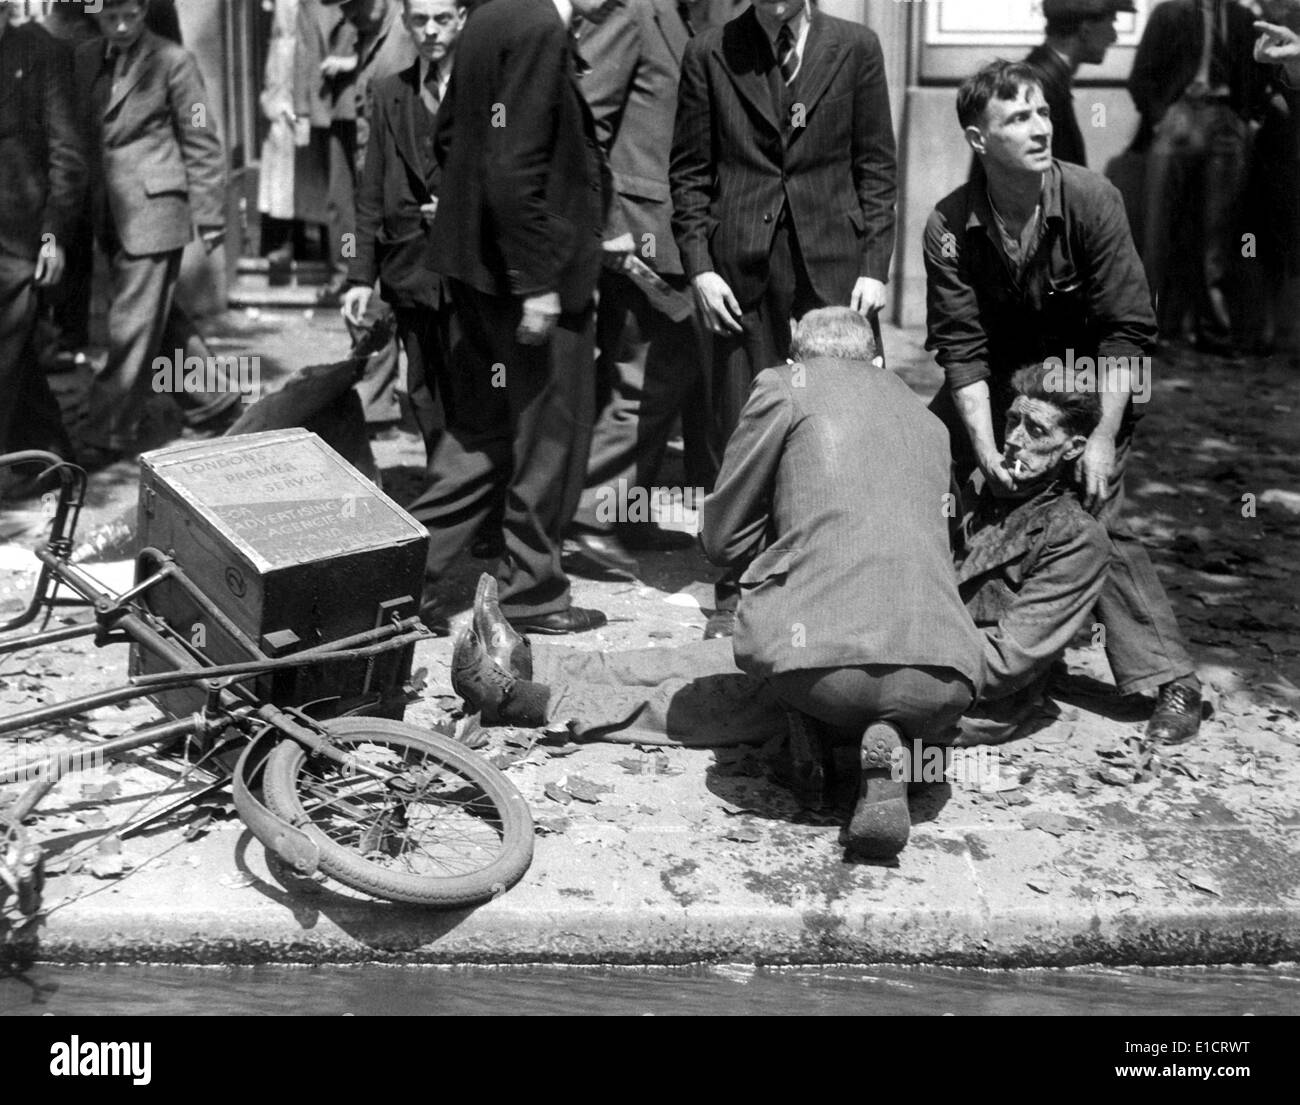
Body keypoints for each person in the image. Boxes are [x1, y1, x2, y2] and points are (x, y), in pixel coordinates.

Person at [450, 346, 1115, 865]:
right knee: (701, 653)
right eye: (1013, 421)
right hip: (890, 648)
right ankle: (537, 654)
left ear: (1077, 447)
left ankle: (524, 699)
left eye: (1038, 428)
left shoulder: (1077, 542)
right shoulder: (973, 489)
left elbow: (1008, 660)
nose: (1017, 439)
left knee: (730, 695)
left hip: (961, 699)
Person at [923, 60, 1203, 746]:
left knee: (1088, 506)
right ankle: (982, 646)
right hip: (997, 384)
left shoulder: (1092, 199)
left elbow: (1128, 331)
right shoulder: (949, 226)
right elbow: (961, 349)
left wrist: (1103, 434)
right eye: (1017, 117)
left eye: (1043, 112)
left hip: (1089, 385)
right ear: (978, 139)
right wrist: (985, 448)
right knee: (938, 481)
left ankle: (1172, 679)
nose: (1040, 127)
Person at [669, 0, 898, 639]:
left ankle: (839, 581)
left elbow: (876, 165)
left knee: (843, 424)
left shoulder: (856, 47)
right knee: (740, 427)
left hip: (834, 270)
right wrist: (698, 267)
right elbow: (689, 173)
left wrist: (875, 265)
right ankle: (735, 589)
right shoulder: (711, 52)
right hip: (739, 273)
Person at [408, 0, 615, 637]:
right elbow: (512, 164)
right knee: (545, 443)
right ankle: (531, 592)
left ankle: (398, 580)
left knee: (482, 437)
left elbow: (452, 138)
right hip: (526, 284)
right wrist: (539, 284)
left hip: (481, 274)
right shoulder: (534, 25)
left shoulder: (492, 17)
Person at [565, 0, 705, 576]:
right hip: (637, 232)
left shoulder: (692, 18)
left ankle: (627, 508)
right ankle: (589, 519)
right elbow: (583, 124)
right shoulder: (632, 15)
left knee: (667, 376)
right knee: (641, 376)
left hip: (674, 228)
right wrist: (606, 226)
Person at [73, 0, 240, 467]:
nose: (122, 27)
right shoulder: (87, 59)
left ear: (144, 9)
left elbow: (200, 135)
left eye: (130, 15)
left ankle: (105, 433)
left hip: (156, 210)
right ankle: (216, 401)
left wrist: (210, 213)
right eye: (110, 18)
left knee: (129, 321)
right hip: (109, 212)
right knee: (158, 319)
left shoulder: (174, 61)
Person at [341, 0, 465, 457]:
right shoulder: (390, 91)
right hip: (409, 264)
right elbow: (370, 189)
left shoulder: (486, 90)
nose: (431, 31)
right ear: (406, 24)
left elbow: (505, 173)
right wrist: (360, 277)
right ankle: (441, 487)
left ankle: (471, 508)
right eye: (420, 21)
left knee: (471, 389)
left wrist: (458, 209)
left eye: (442, 19)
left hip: (467, 270)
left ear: (461, 20)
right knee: (423, 390)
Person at [1129, 0, 1270, 349]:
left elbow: (1259, 74)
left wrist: (1248, 120)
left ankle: (1215, 330)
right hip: (1177, 118)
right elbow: (1141, 76)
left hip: (1226, 120)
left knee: (1218, 232)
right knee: (1158, 231)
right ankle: (1149, 328)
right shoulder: (1168, 13)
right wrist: (1161, 117)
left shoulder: (1241, 18)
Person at [0, 3, 85, 470]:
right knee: (16, 359)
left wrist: (54, 235)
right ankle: (52, 463)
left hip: (20, 241)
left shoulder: (40, 52)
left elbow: (67, 154)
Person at [1024, 0, 1134, 167]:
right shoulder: (1039, 89)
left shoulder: (1043, 80)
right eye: (1111, 24)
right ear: (1085, 29)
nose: (1114, 37)